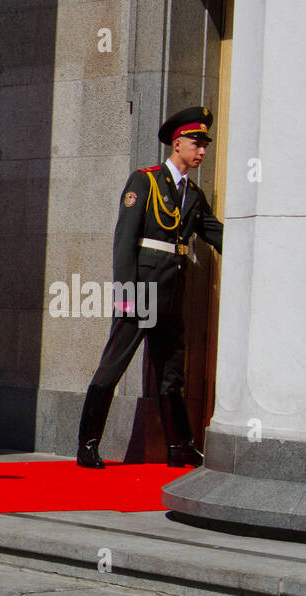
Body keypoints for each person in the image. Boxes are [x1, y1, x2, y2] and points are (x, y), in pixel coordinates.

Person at [76, 105, 224, 469]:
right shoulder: (145, 180)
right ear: (177, 144)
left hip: (172, 293)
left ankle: (180, 447)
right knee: (114, 365)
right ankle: (87, 445)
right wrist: (126, 292)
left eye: (205, 144)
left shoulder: (194, 195)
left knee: (172, 372)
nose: (203, 150)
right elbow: (125, 239)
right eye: (197, 143)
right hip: (141, 289)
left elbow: (217, 234)